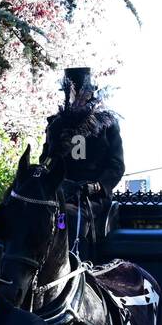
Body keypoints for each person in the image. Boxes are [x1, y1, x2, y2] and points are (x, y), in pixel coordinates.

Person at [40, 67, 125, 259]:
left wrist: (96, 186)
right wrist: (54, 151)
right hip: (59, 191)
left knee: (70, 217)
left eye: (81, 91)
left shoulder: (108, 124)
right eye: (73, 92)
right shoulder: (56, 124)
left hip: (91, 196)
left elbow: (117, 165)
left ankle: (79, 269)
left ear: (90, 92)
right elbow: (45, 160)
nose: (77, 96)